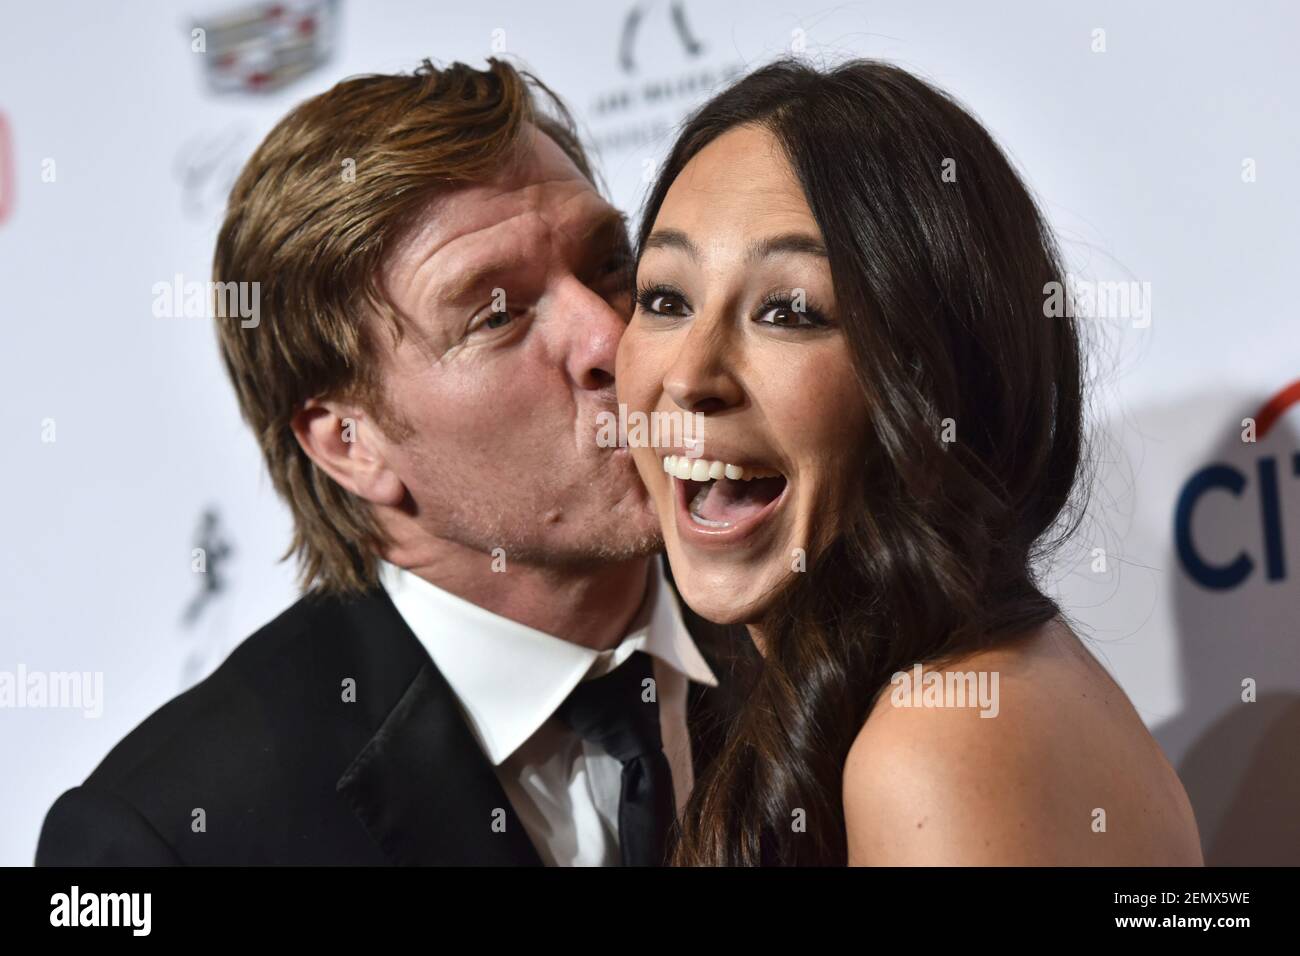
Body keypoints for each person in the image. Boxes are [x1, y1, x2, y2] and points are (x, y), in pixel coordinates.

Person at [35, 58, 728, 867]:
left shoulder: (836, 616)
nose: (612, 339)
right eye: (496, 314)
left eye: (609, 264)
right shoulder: (175, 836)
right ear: (348, 443)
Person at [615, 57, 1205, 865]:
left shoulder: (943, 744)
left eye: (789, 311)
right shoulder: (920, 701)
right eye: (665, 299)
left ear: (932, 376)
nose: (688, 376)